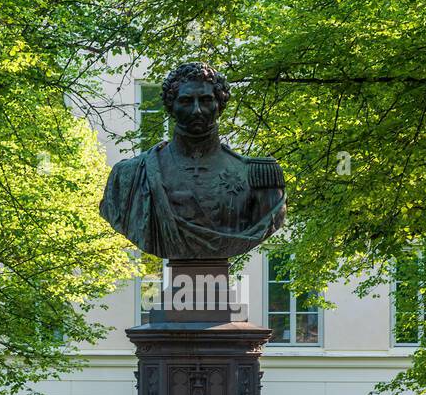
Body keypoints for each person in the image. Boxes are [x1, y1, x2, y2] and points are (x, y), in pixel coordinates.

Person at [100, 61, 286, 258]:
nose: (197, 110)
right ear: (172, 106)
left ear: (219, 105)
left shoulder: (256, 175)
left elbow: (269, 220)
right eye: (186, 101)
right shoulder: (130, 176)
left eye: (205, 100)